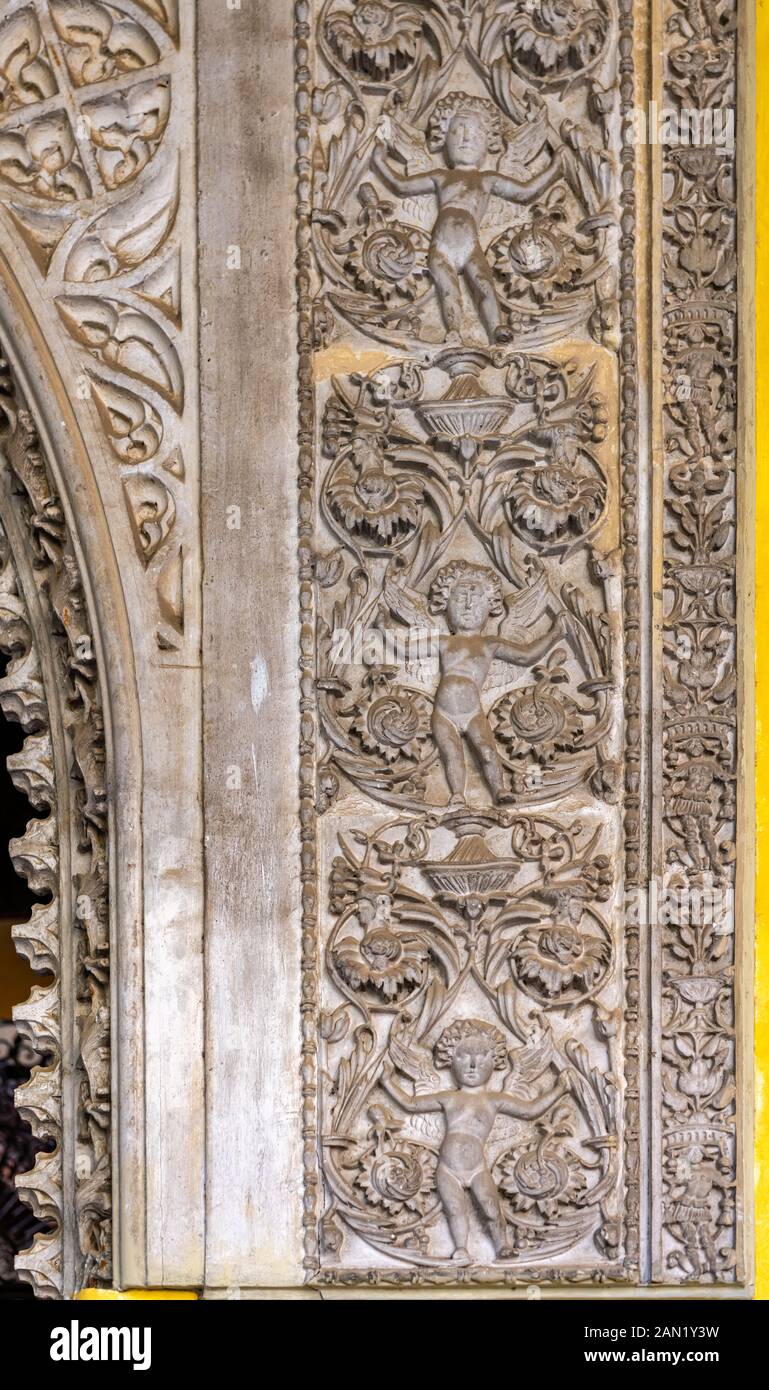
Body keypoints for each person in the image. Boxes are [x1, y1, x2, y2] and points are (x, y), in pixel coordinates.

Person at [372, 93, 565, 341]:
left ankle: (496, 328)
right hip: (440, 246)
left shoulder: (487, 180)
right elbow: (400, 185)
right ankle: (454, 331)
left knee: (485, 285)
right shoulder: (441, 176)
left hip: (471, 245)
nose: (464, 139)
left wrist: (554, 168)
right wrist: (379, 160)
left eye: (474, 134)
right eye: (456, 132)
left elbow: (526, 192)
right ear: (443, 137)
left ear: (489, 142)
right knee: (449, 290)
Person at [381, 1017, 573, 1263]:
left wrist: (559, 1090)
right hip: (447, 1168)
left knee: (492, 1207)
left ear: (495, 1061)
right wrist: (387, 1082)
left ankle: (502, 1245)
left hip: (477, 1168)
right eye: (463, 1057)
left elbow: (530, 1110)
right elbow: (410, 1104)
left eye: (481, 1057)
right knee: (455, 1210)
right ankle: (461, 1249)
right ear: (450, 1060)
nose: (472, 1064)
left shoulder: (494, 1100)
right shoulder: (449, 1097)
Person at [426, 560, 567, 804]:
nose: (468, 605)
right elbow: (406, 649)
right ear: (444, 603)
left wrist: (555, 633)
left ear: (490, 605)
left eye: (476, 598)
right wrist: (384, 627)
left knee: (489, 752)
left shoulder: (489, 644)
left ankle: (499, 791)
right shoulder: (443, 642)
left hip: (472, 713)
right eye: (460, 598)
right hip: (443, 713)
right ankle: (458, 796)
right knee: (452, 755)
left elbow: (526, 655)